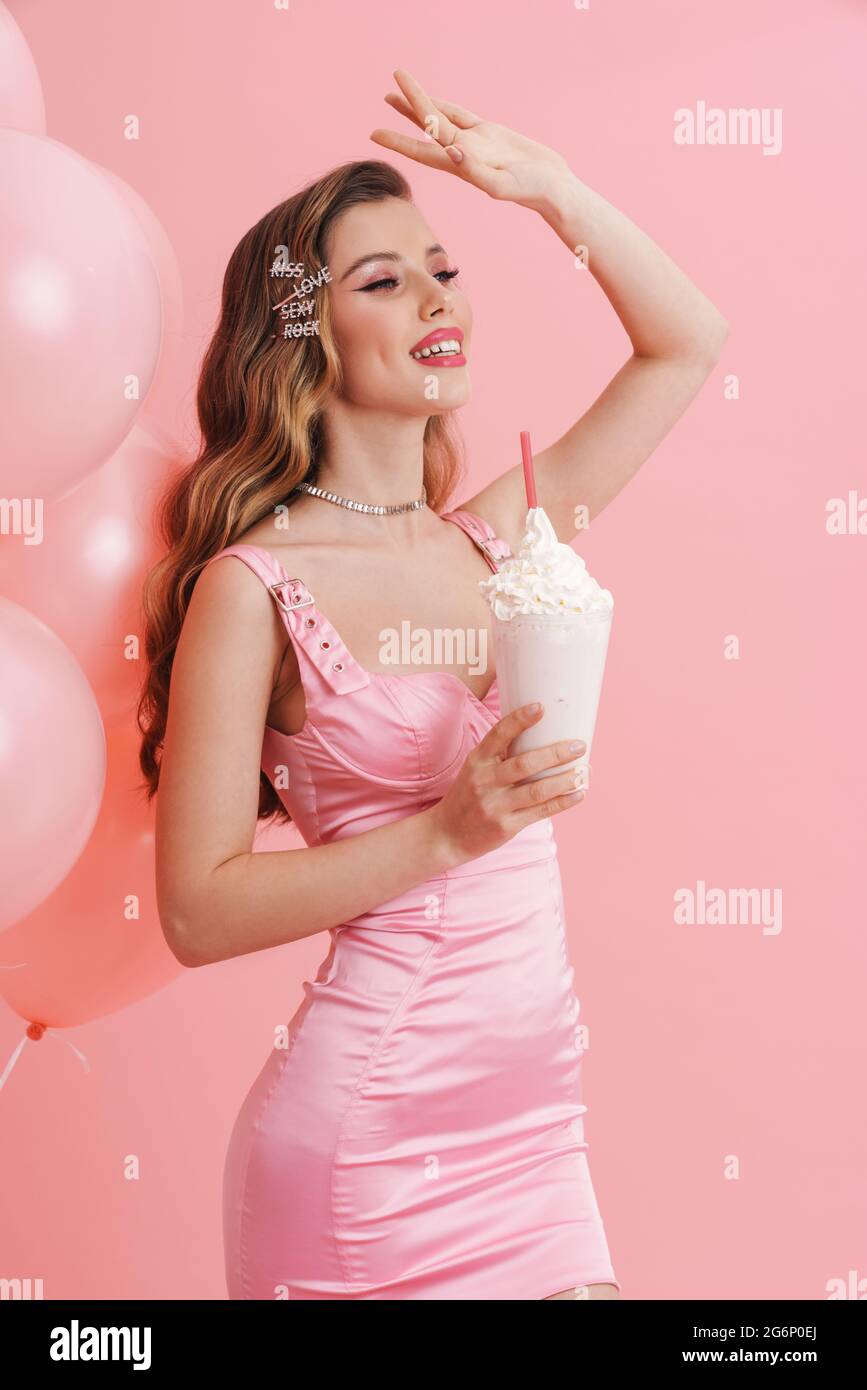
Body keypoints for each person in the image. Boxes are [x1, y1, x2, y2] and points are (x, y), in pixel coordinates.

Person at [139, 69, 728, 1300]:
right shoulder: (250, 590)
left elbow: (686, 345)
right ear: (305, 331)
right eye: (381, 279)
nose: (433, 297)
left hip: (536, 1143)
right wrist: (449, 831)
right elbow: (196, 910)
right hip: (364, 1145)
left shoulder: (498, 538)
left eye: (442, 268)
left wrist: (551, 189)